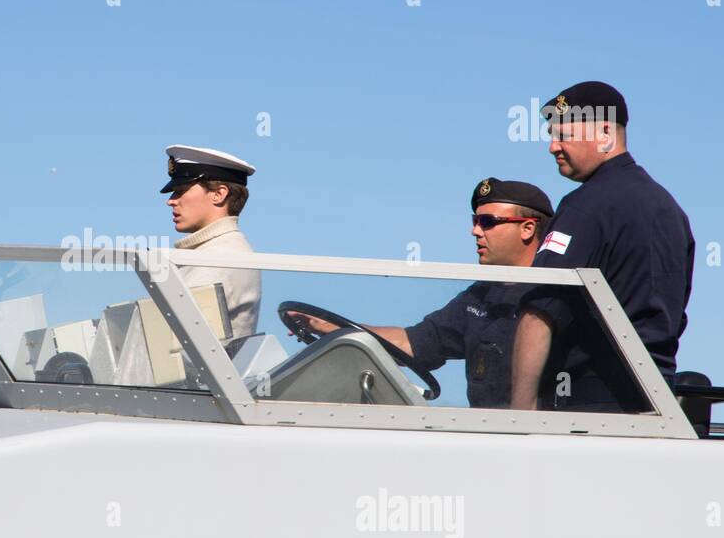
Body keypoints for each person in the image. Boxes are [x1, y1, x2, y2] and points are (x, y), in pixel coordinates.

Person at [508, 81, 695, 412]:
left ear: (605, 133)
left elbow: (540, 311)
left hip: (588, 408)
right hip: (659, 402)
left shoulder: (586, 206)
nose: (552, 147)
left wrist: (519, 415)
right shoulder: (671, 211)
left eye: (563, 135)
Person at [288, 178, 553, 407]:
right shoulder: (480, 297)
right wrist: (329, 327)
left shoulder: (556, 297)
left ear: (527, 228)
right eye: (475, 221)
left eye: (487, 222)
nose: (474, 231)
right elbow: (411, 344)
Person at [161, 144, 261, 337]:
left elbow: (169, 336)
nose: (171, 200)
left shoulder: (223, 257)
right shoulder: (207, 252)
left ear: (219, 194)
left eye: (181, 190)